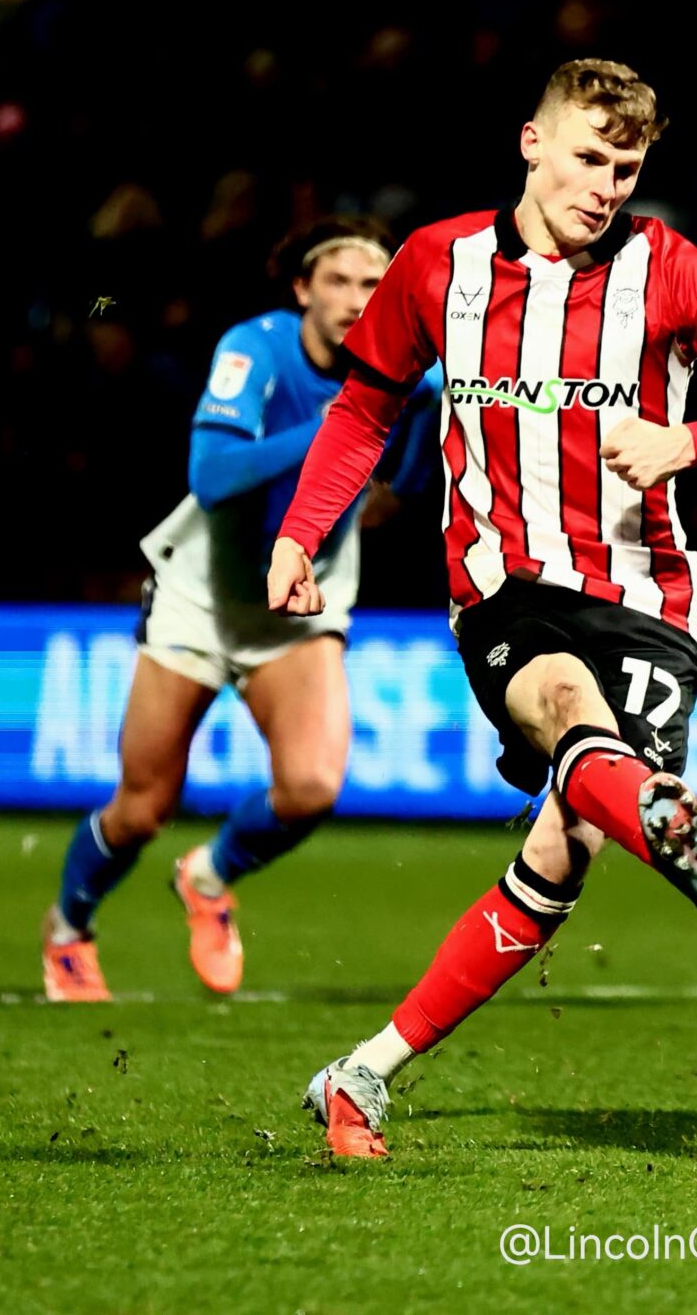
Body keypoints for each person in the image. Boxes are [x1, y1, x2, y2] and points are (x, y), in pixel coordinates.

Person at [265, 59, 697, 1158]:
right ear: (529, 142)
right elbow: (361, 410)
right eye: (588, 156)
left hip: (647, 597)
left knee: (568, 841)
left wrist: (692, 438)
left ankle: (360, 1073)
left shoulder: (671, 270)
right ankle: (669, 822)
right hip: (503, 585)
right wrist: (302, 534)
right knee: (564, 706)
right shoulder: (436, 264)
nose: (605, 185)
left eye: (626, 167)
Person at [40, 219, 440, 1001]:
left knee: (312, 788)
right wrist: (332, 432)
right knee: (142, 808)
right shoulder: (252, 350)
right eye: (339, 282)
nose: (358, 299)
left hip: (299, 604)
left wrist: (397, 487)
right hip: (202, 600)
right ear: (302, 290)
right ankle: (68, 928)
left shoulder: (407, 371)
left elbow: (424, 422)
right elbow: (213, 473)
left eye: (372, 284)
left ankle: (211, 873)